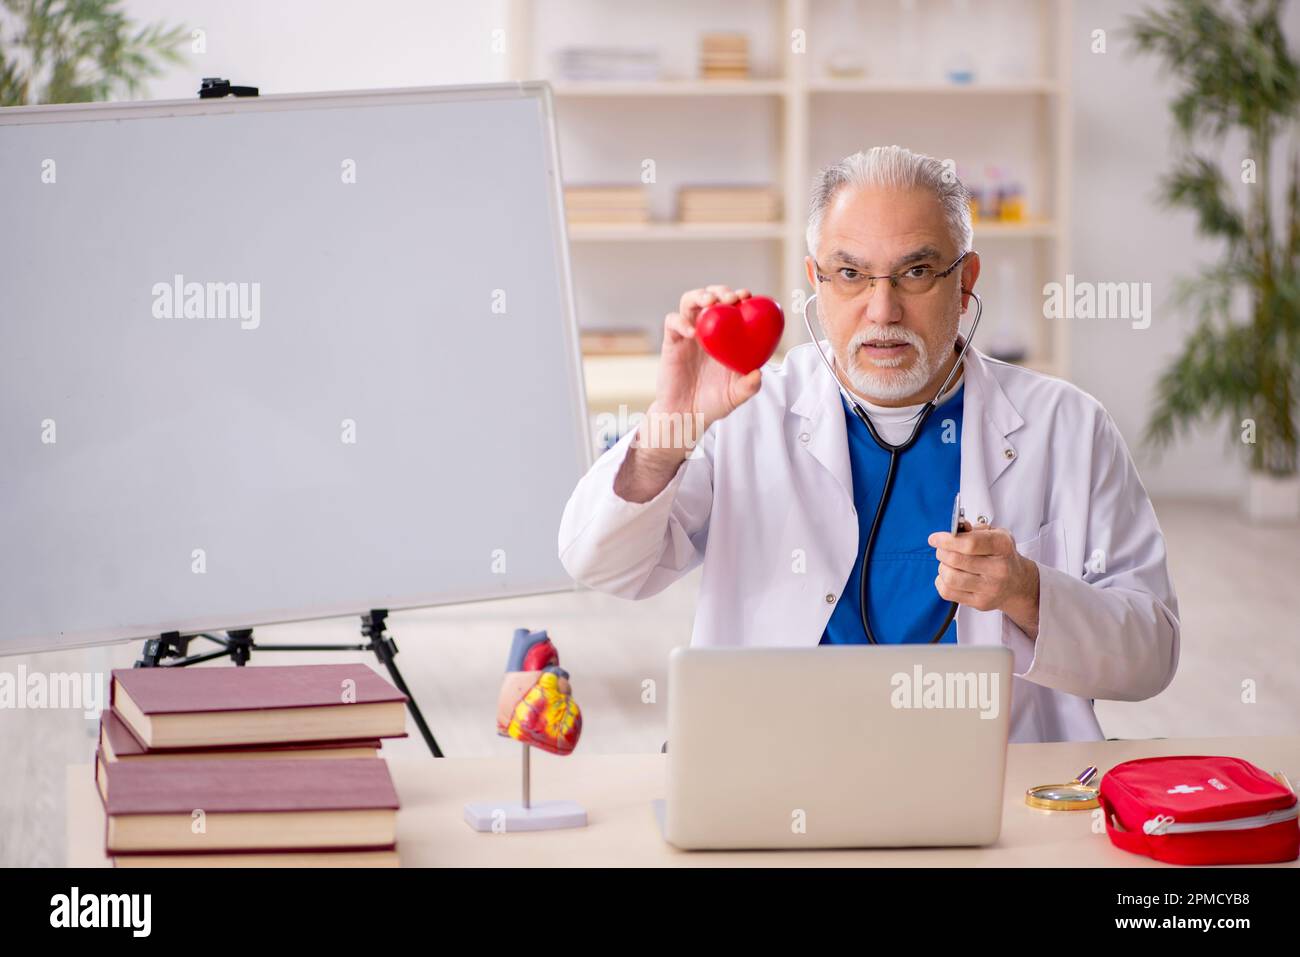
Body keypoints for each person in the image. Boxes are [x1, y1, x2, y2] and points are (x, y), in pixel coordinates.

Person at [557, 145, 1179, 742]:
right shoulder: (746, 414)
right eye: (851, 275)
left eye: (915, 272)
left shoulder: (1067, 427)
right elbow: (602, 566)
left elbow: (1150, 653)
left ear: (965, 283)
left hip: (994, 777)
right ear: (816, 282)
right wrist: (669, 433)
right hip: (778, 769)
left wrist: (1026, 591)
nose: (883, 311)